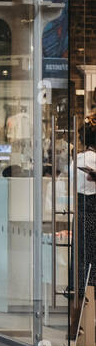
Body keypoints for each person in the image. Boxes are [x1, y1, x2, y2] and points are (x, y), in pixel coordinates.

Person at [76, 124, 96, 302]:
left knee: (82, 252)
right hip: (91, 207)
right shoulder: (93, 159)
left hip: (80, 206)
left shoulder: (78, 158)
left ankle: (82, 291)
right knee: (92, 253)